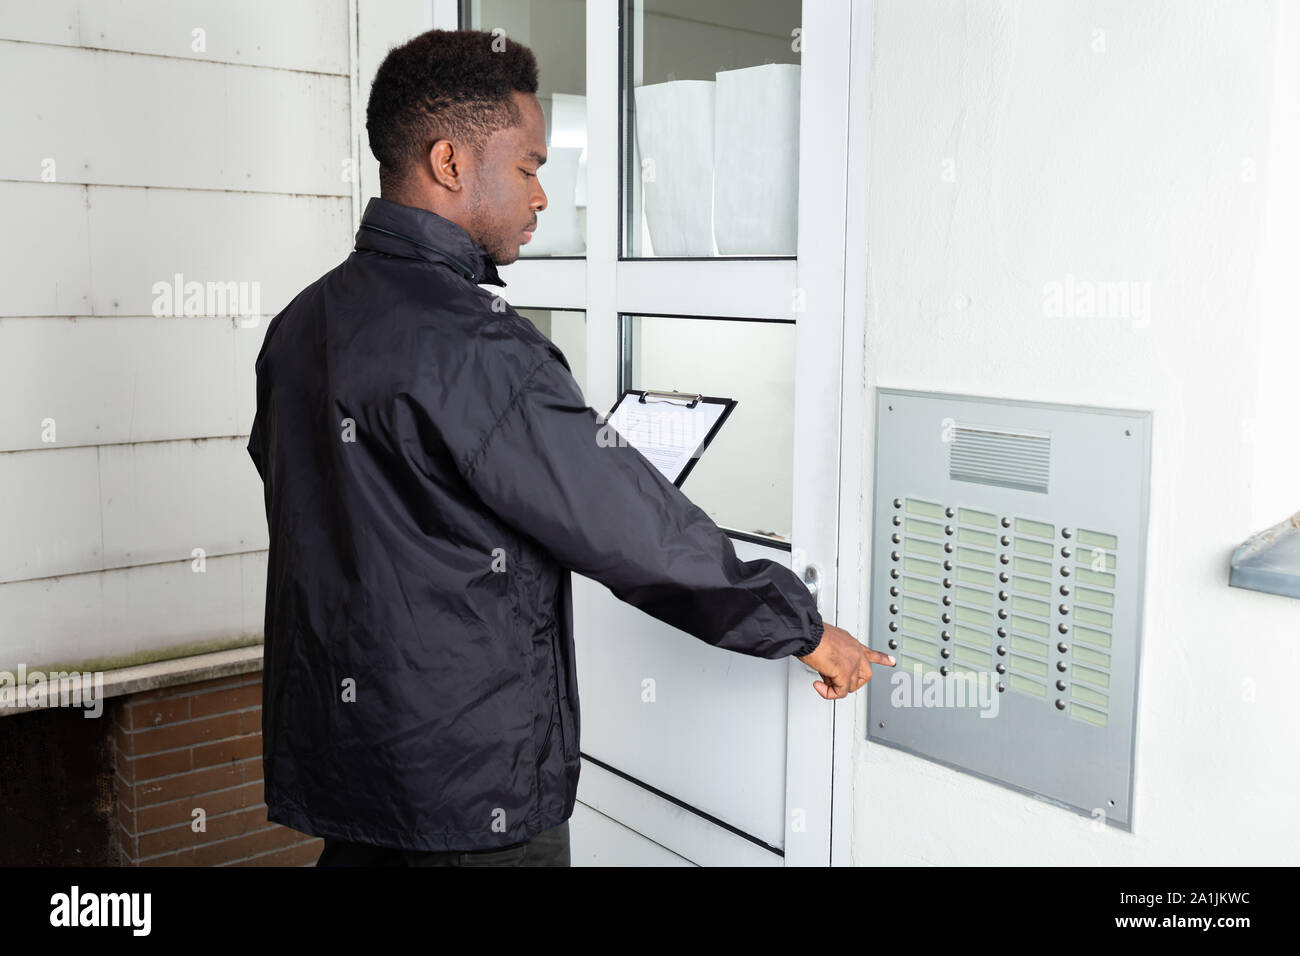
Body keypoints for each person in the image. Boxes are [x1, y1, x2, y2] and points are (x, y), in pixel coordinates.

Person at [245, 28, 890, 869]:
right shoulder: (477, 347)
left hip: (356, 767)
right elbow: (626, 529)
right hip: (471, 794)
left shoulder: (300, 325)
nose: (543, 195)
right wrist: (799, 627)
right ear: (449, 163)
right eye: (528, 167)